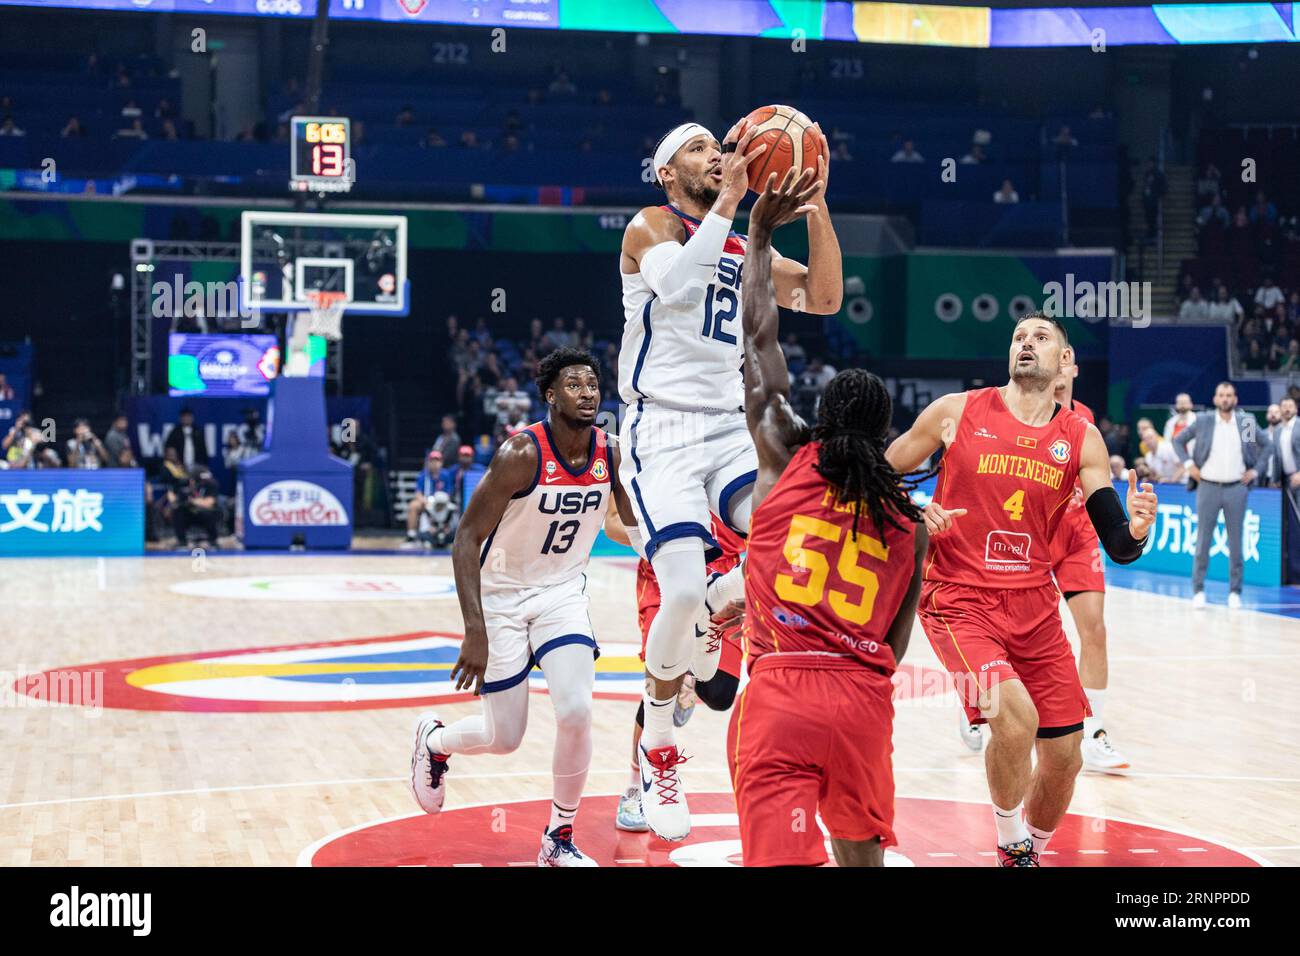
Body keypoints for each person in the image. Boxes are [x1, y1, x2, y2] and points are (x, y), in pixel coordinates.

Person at [615, 117, 843, 841]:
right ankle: (658, 753)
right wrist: (730, 206)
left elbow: (826, 296)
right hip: (662, 430)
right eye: (698, 149)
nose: (716, 155)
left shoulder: (743, 244)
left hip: (726, 427)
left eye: (720, 147)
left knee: (796, 536)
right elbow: (678, 288)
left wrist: (819, 211)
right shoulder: (649, 225)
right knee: (678, 589)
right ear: (666, 170)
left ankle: (718, 607)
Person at [886, 312, 1157, 866]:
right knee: (1015, 719)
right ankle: (1009, 838)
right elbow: (877, 474)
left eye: (1040, 338)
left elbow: (1117, 540)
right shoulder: (956, 412)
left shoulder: (1081, 437)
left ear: (1063, 362)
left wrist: (1136, 530)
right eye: (1018, 337)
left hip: (1034, 608)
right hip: (958, 601)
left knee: (1065, 757)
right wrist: (917, 508)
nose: (1025, 344)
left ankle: (1027, 852)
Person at [731, 168, 927, 866]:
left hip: (783, 689)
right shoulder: (911, 519)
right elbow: (898, 649)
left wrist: (757, 234)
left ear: (823, 414)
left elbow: (757, 346)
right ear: (884, 432)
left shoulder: (787, 452)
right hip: (862, 704)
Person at [407, 348, 638, 867]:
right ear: (551, 395)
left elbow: (621, 524)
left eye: (593, 384)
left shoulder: (611, 452)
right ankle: (436, 740)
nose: (588, 393)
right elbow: (465, 539)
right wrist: (475, 631)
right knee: (503, 737)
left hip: (562, 594)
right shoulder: (520, 454)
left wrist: (666, 545)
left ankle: (558, 837)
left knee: (577, 711)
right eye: (574, 385)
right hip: (502, 598)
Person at [606, 512, 748, 833]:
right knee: (661, 681)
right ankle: (634, 788)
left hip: (723, 581)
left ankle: (689, 671)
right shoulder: (647, 464)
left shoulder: (742, 463)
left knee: (720, 694)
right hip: (666, 577)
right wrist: (665, 544)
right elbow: (613, 523)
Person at [1173, 382, 1272, 610]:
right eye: (1221, 395)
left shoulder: (1245, 422)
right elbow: (1178, 441)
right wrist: (1189, 465)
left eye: (1229, 395)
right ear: (1216, 399)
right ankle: (1198, 589)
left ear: (1235, 399)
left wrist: (1255, 470)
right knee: (1203, 540)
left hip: (1236, 487)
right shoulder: (1205, 420)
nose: (1225, 399)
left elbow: (1267, 446)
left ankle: (1235, 591)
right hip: (1207, 485)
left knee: (1236, 543)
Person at [404, 450, 451, 547]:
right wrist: (424, 501)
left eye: (437, 460)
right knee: (413, 506)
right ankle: (411, 536)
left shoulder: (446, 475)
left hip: (441, 502)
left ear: (441, 462)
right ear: (428, 462)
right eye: (432, 460)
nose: (434, 463)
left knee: (452, 507)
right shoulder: (423, 475)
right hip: (426, 501)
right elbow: (418, 493)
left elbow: (449, 493)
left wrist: (440, 501)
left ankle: (447, 534)